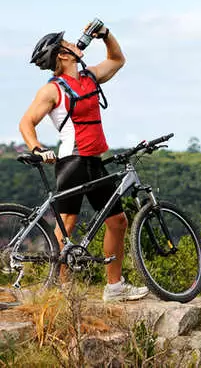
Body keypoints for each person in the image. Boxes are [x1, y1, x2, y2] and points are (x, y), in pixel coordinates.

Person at [19, 21, 149, 302]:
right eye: (67, 44)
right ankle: (63, 290)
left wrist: (105, 35)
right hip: (73, 161)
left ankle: (114, 288)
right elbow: (26, 122)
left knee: (117, 222)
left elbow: (117, 60)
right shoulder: (53, 90)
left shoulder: (89, 77)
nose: (74, 44)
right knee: (67, 223)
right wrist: (38, 148)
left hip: (94, 161)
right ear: (63, 55)